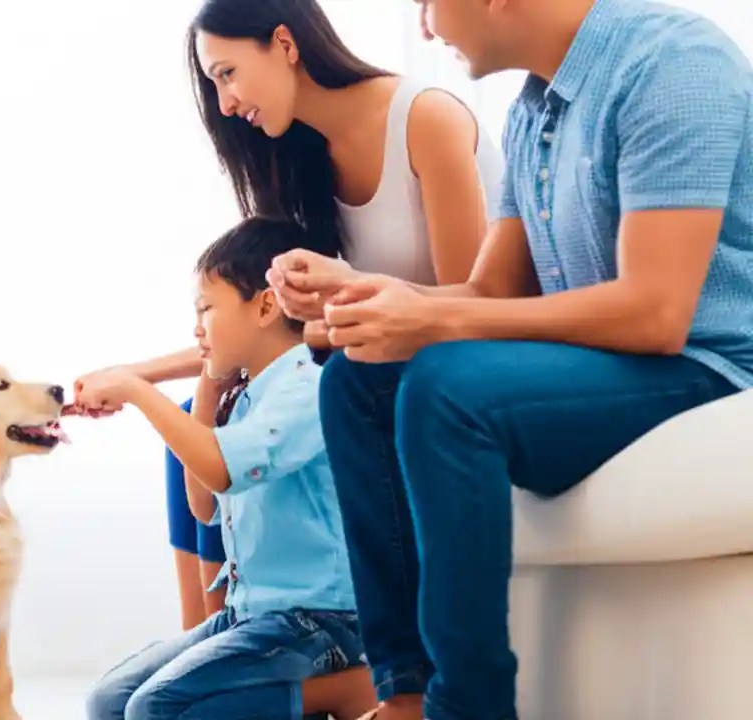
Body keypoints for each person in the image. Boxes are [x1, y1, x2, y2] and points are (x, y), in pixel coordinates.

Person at [266, 1, 753, 718]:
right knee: (357, 379)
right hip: (598, 365)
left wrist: (431, 317)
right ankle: (404, 693)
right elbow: (492, 291)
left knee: (446, 386)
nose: (426, 25)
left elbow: (656, 314)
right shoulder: (533, 114)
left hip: (703, 365)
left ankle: (469, 707)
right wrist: (367, 294)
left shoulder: (673, 64)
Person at [74, 0, 502, 644]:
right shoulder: (296, 158)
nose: (225, 103)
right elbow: (273, 328)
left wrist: (349, 292)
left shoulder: (425, 120)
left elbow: (470, 307)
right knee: (200, 417)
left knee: (231, 433)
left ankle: (250, 659)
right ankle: (208, 645)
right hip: (364, 360)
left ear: (284, 43)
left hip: (444, 364)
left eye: (228, 73)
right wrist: (136, 375)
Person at [81, 217, 376, 720]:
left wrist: (135, 389)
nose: (197, 328)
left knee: (155, 708)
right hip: (252, 615)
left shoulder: (307, 388)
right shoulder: (247, 400)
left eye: (207, 309)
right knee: (109, 702)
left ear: (264, 306)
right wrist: (210, 387)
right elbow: (203, 505)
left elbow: (221, 470)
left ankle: (349, 691)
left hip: (319, 621)